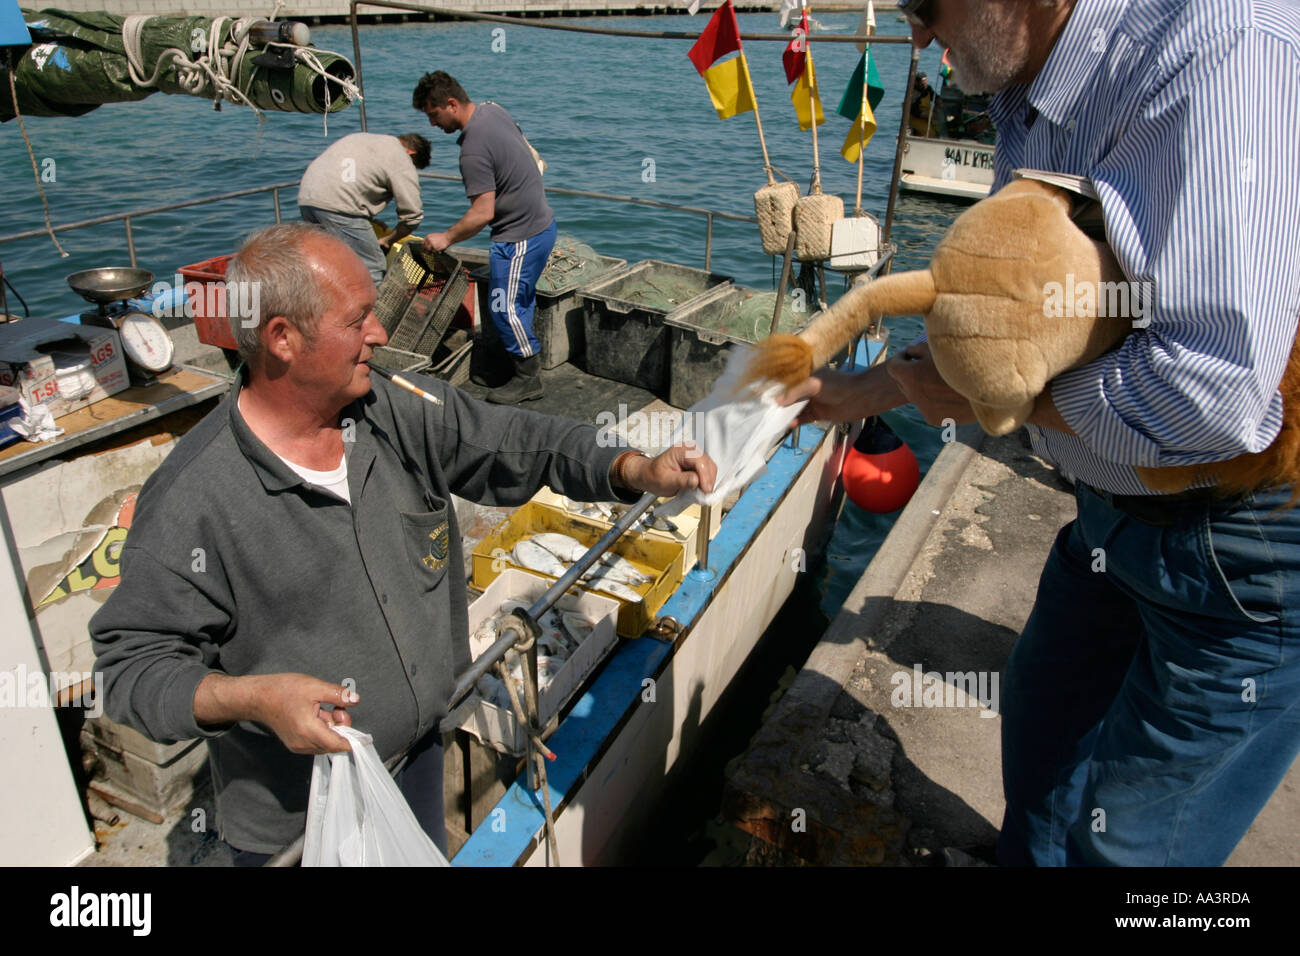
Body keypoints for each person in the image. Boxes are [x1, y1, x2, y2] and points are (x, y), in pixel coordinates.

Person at [786, 0, 1300, 865]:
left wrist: (1001, 404)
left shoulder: (1219, 47)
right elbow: (1001, 318)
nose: (915, 33)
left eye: (923, 5)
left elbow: (1212, 397)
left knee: (1139, 846)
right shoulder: (1023, 75)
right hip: (1110, 514)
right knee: (1041, 748)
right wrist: (854, 390)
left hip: (1250, 544)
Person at [89, 223, 716, 864]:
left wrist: (632, 468)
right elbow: (128, 670)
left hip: (416, 760)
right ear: (282, 339)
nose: (381, 335)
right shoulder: (194, 497)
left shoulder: (397, 407)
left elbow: (515, 440)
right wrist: (252, 698)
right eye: (358, 319)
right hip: (298, 824)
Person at [412, 71, 557, 405]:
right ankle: (516, 361)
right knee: (517, 300)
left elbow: (482, 213)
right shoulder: (492, 109)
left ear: (451, 104)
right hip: (541, 224)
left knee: (504, 306)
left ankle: (527, 377)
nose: (433, 124)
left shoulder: (472, 151)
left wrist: (445, 238)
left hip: (520, 235)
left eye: (434, 115)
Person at [297, 131, 432, 285]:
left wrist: (368, 220)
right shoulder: (401, 157)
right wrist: (389, 240)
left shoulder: (363, 138)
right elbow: (413, 216)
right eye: (414, 167)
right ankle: (373, 309)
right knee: (373, 266)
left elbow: (351, 178)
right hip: (340, 207)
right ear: (412, 154)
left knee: (331, 263)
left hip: (308, 199)